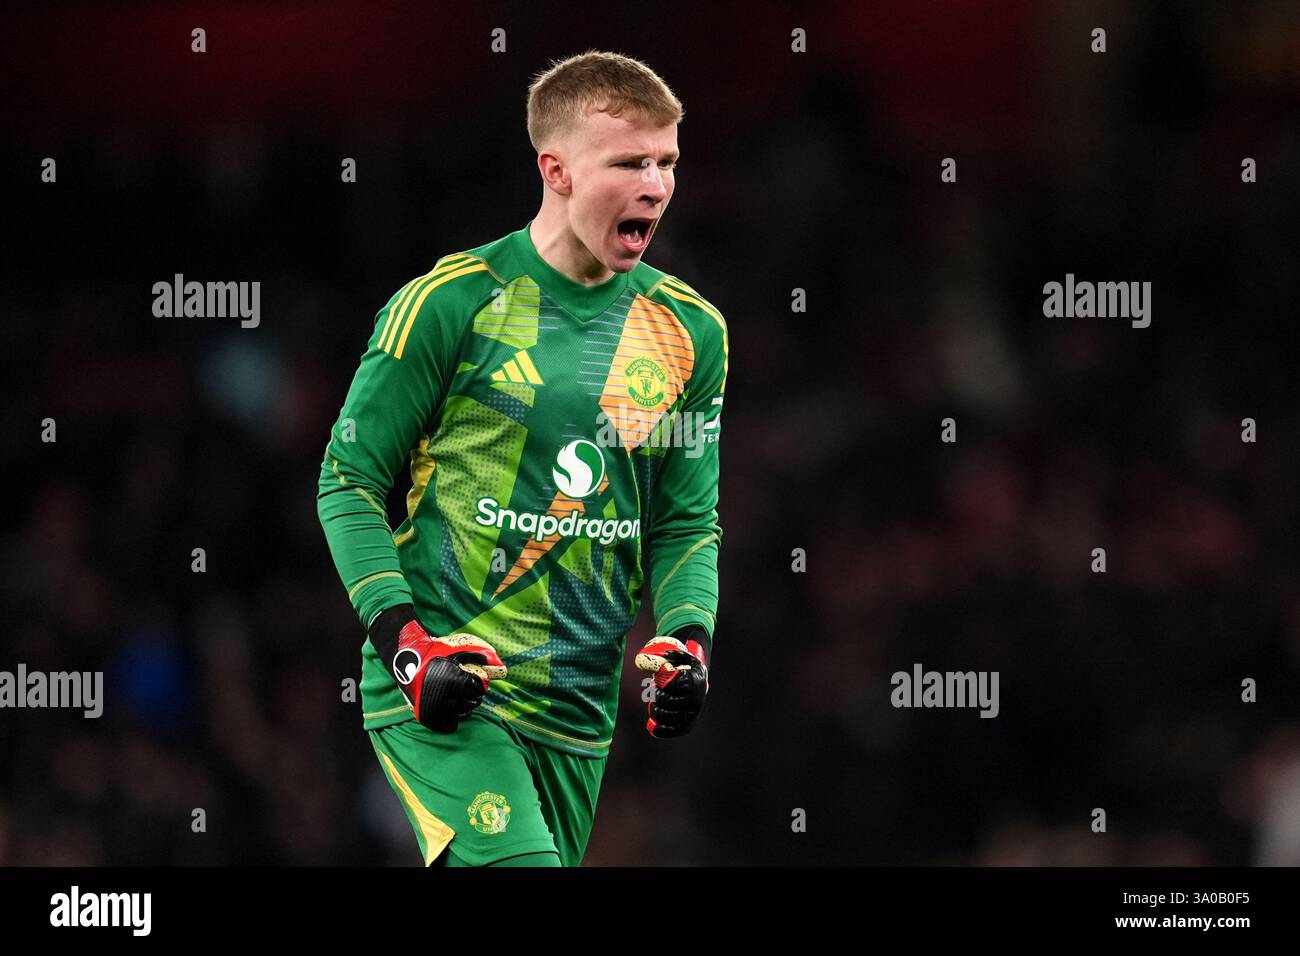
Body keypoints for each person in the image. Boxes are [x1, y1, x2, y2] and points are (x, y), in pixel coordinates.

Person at [317, 49, 728, 867]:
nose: (655, 185)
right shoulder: (452, 302)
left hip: (577, 714)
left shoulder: (692, 333)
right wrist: (407, 647)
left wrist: (688, 638)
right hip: (447, 689)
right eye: (628, 162)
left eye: (667, 162)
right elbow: (347, 481)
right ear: (558, 170)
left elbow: (684, 521)